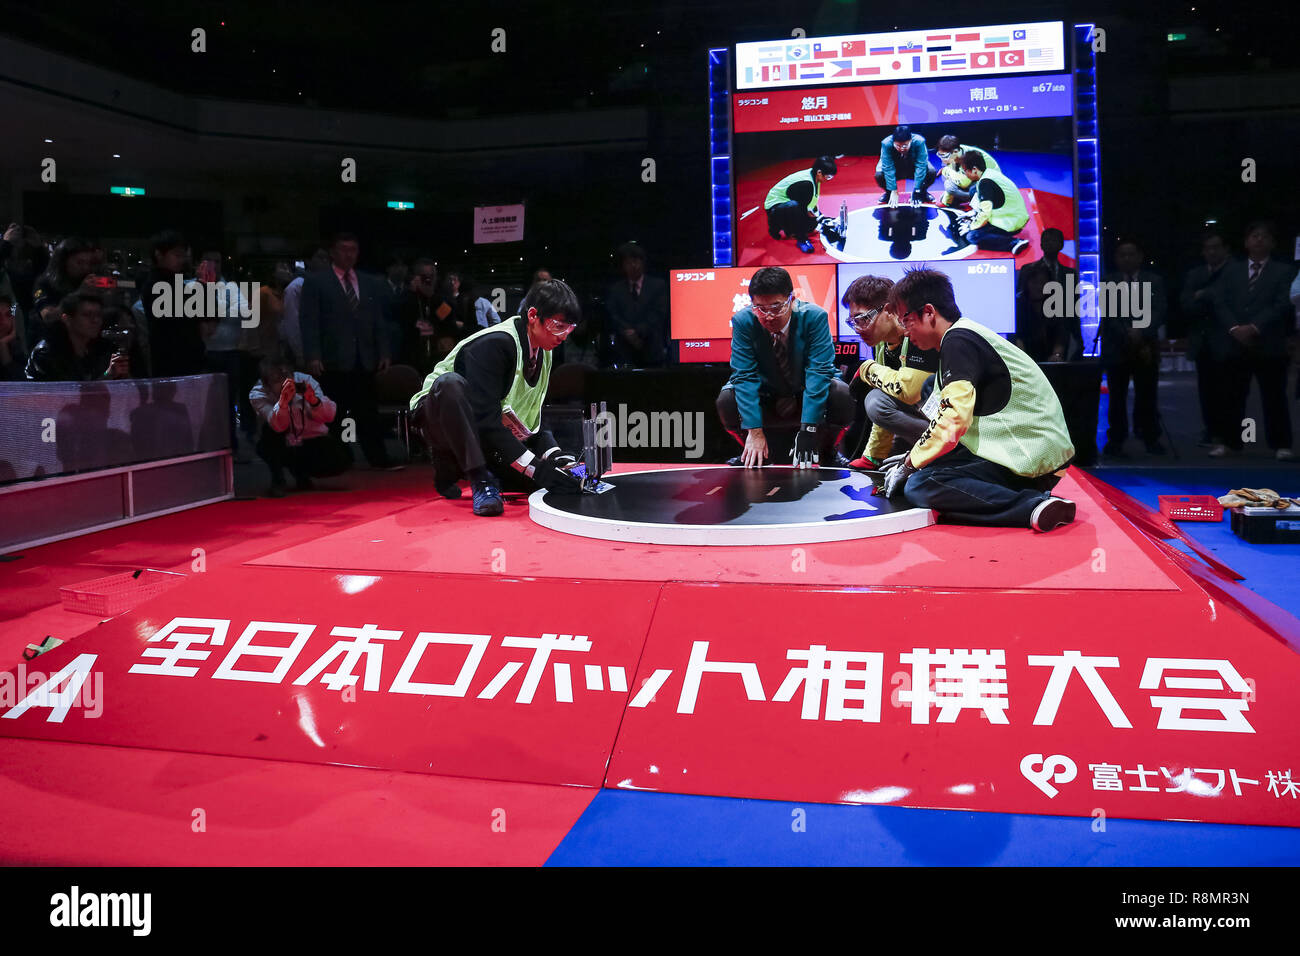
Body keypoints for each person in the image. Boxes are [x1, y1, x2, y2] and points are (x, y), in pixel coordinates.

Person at [878, 267, 1076, 531]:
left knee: (921, 485)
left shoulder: (959, 340)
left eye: (906, 320)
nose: (904, 331)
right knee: (923, 466)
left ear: (928, 312)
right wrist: (914, 458)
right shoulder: (962, 336)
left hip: (1029, 459)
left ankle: (1032, 506)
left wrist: (910, 463)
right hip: (1025, 452)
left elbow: (953, 419)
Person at [408, 278, 585, 516]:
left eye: (569, 329)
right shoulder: (495, 344)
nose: (564, 336)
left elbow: (532, 414)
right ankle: (478, 478)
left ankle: (451, 465)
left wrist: (555, 457)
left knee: (540, 484)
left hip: (484, 424)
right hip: (436, 415)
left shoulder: (545, 349)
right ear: (533, 316)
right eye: (558, 326)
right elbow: (486, 422)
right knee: (450, 385)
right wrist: (536, 468)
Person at [716, 266, 854, 468]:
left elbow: (818, 373)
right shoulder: (743, 321)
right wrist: (755, 432)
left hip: (804, 389)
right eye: (760, 308)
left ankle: (828, 452)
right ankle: (754, 452)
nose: (769, 316)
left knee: (841, 393)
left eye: (776, 307)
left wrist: (808, 429)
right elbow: (744, 376)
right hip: (766, 393)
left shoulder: (815, 318)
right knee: (727, 398)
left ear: (792, 299)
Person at [300, 232, 399, 469]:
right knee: (332, 412)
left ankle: (378, 458)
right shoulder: (317, 281)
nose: (348, 254)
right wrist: (312, 355)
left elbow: (378, 321)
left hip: (364, 356)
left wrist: (384, 352)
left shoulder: (368, 282)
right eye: (344, 249)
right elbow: (309, 322)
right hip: (332, 356)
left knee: (368, 411)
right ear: (333, 252)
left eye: (353, 249)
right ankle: (337, 460)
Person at [1207, 221, 1295, 460]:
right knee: (1232, 395)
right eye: (1254, 236)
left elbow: (1282, 303)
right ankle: (1229, 442)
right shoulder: (1232, 270)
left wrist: (1255, 327)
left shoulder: (1283, 271)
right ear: (1246, 242)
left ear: (1272, 243)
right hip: (1235, 343)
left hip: (1269, 343)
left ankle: (1281, 444)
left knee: (1274, 396)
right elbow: (1220, 302)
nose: (1259, 240)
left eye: (1264, 237)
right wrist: (1235, 328)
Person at [840, 274, 938, 469]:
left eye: (862, 319)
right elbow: (889, 392)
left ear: (888, 310)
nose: (858, 329)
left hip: (952, 424)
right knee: (877, 397)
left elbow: (909, 391)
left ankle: (941, 452)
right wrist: (873, 456)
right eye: (853, 322)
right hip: (929, 417)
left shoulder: (917, 332)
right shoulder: (881, 341)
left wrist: (867, 369)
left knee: (875, 399)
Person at [1098, 239, 1167, 457]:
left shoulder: (1154, 281)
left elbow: (1160, 311)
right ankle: (1116, 440)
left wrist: (1141, 331)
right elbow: (1109, 313)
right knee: (1116, 398)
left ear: (1140, 257)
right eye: (1122, 254)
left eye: (1131, 254)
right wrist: (1127, 332)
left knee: (1147, 395)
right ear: (1116, 258)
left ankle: (1150, 438)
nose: (1126, 258)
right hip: (1117, 347)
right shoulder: (1108, 280)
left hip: (1146, 348)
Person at [248, 354, 352, 497]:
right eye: (277, 380)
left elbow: (329, 416)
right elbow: (278, 425)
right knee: (268, 437)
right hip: (282, 441)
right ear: (267, 384)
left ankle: (301, 472)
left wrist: (314, 401)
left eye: (288, 377)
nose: (286, 383)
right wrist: (283, 403)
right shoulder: (258, 394)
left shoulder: (305, 381)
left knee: (343, 459)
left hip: (311, 438)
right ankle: (278, 479)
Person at [1179, 230, 1231, 447]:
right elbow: (1186, 304)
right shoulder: (1195, 274)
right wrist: (1203, 297)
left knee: (1229, 390)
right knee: (1206, 390)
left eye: (1216, 247)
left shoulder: (1235, 271)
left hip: (1229, 340)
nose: (1212, 252)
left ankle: (1229, 432)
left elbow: (1228, 301)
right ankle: (1211, 430)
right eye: (1208, 248)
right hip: (1202, 341)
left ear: (1226, 249)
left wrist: (1204, 295)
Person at [25, 292, 131, 382]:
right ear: (67, 319)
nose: (95, 320)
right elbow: (68, 395)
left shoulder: (98, 349)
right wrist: (107, 375)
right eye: (87, 315)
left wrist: (111, 375)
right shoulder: (47, 352)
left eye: (98, 315)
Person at [142, 230, 205, 377]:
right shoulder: (155, 285)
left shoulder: (177, 283)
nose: (181, 260)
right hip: (170, 365)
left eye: (183, 255)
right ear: (159, 254)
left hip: (188, 362)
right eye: (177, 255)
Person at [1015, 228, 1081, 361]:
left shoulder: (1070, 273)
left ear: (1061, 245)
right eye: (1046, 240)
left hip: (1062, 330)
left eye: (1054, 240)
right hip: (1032, 330)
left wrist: (1077, 336)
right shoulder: (1027, 269)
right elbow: (1020, 298)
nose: (1050, 243)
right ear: (1041, 244)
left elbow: (1074, 306)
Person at [954, 151, 1029, 255]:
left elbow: (985, 214)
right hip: (1016, 215)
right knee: (973, 190)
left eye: (964, 171)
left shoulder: (985, 184)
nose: (964, 174)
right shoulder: (989, 173)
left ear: (974, 170)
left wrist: (972, 226)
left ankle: (1013, 243)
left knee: (972, 236)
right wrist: (974, 213)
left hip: (1011, 222)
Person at [606, 242, 668, 367]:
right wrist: (627, 332)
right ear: (623, 266)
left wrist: (638, 332)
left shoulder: (658, 285)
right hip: (624, 352)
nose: (633, 266)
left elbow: (659, 313)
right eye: (629, 262)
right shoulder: (616, 289)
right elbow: (613, 315)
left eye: (636, 261)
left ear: (643, 263)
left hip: (652, 350)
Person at [764, 156, 838, 254]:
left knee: (812, 225)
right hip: (775, 209)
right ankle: (794, 237)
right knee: (794, 206)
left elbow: (811, 203)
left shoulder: (816, 178)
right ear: (819, 172)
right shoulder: (805, 184)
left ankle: (790, 230)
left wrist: (821, 217)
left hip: (789, 206)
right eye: (828, 177)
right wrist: (802, 236)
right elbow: (800, 209)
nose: (829, 180)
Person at [281, 248, 329, 362]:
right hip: (307, 353)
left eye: (327, 258)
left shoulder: (329, 285)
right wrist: (300, 354)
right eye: (321, 258)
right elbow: (292, 324)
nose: (325, 262)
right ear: (308, 261)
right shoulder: (296, 287)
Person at [875, 125, 937, 207]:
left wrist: (917, 190)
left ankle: (923, 192)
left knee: (931, 171)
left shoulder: (919, 141)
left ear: (911, 140)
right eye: (897, 146)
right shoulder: (886, 143)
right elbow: (888, 167)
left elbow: (921, 165)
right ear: (893, 142)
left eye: (905, 145)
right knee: (879, 174)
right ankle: (889, 193)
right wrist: (893, 189)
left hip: (913, 167)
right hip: (896, 168)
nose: (901, 148)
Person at [934, 135, 999, 207]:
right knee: (947, 192)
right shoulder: (955, 153)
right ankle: (969, 197)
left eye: (945, 156)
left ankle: (974, 198)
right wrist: (945, 202)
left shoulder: (969, 157)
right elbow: (953, 174)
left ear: (955, 152)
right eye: (940, 155)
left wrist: (946, 171)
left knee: (950, 187)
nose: (942, 159)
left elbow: (964, 182)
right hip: (973, 178)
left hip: (990, 182)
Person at [0, 294, 27, 380]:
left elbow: (20, 383)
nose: (3, 321)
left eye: (8, 315)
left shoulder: (14, 346)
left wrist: (3, 345)